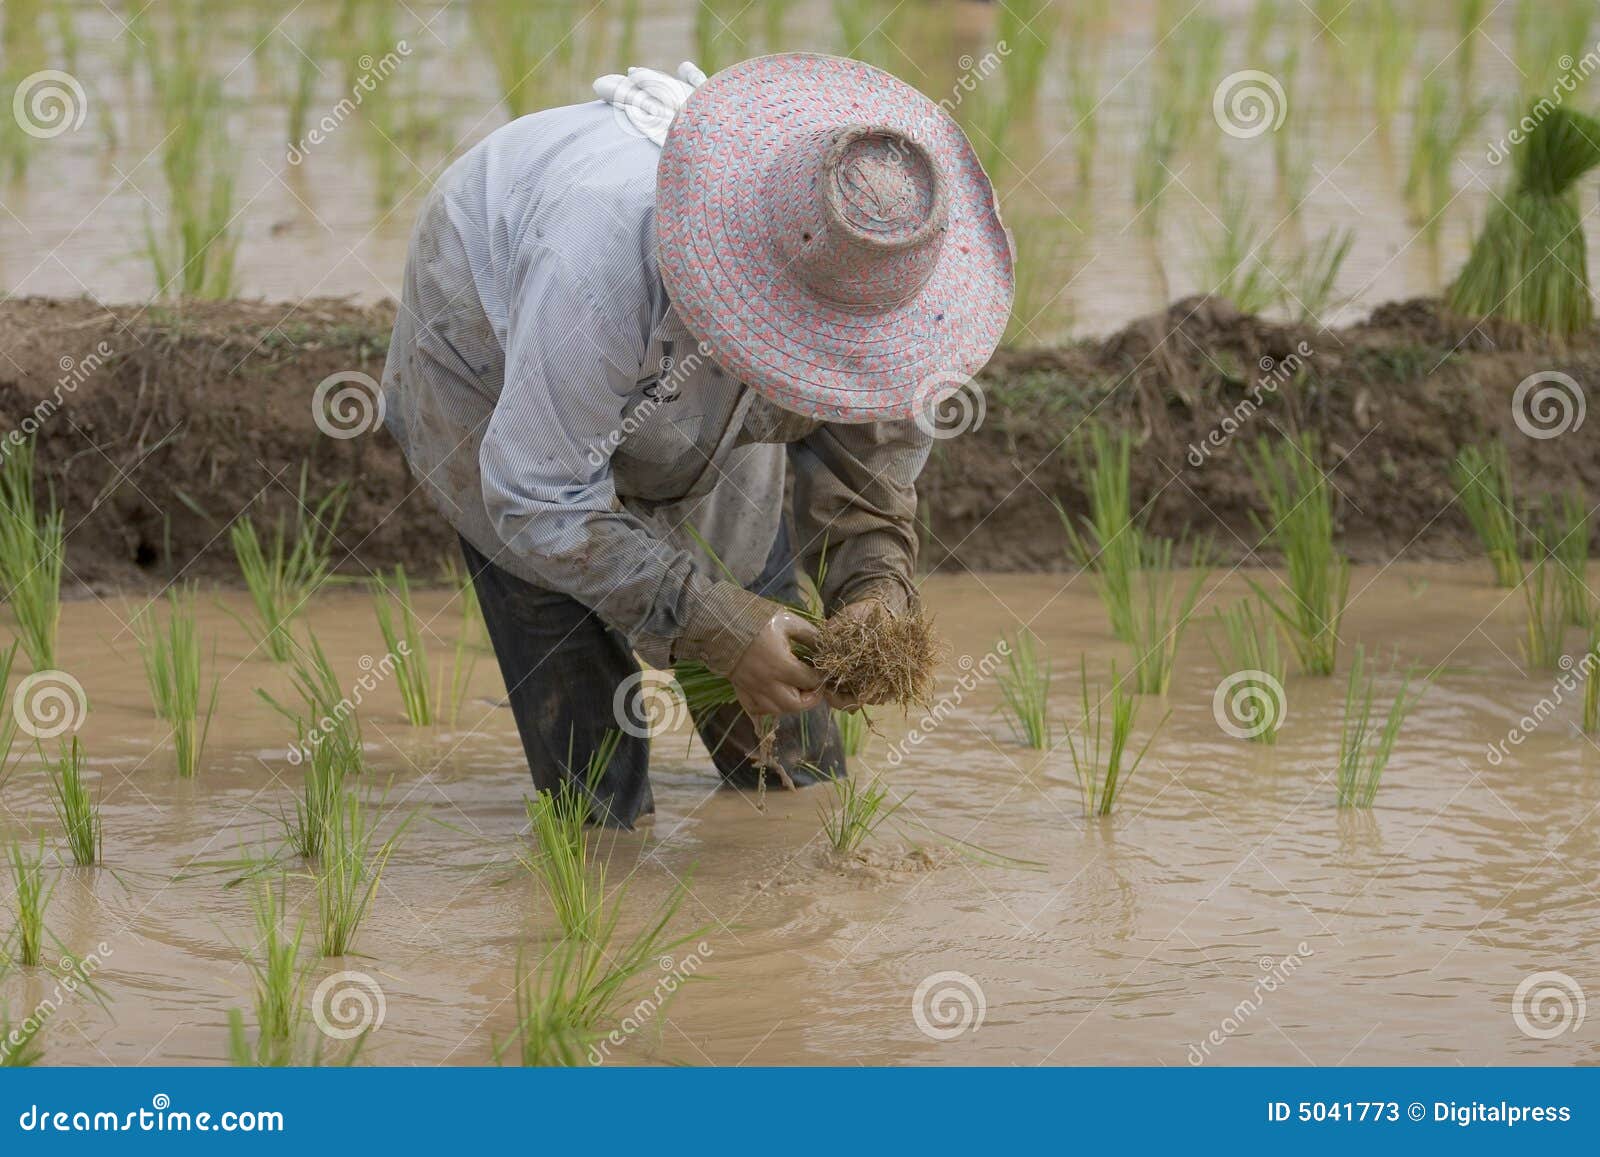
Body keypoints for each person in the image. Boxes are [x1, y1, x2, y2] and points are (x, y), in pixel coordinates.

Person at [381, 53, 1013, 827]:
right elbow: (534, 494)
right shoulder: (596, 267)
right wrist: (714, 625)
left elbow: (869, 472)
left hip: (697, 405)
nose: (840, 360)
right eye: (813, 342)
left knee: (799, 781)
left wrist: (872, 590)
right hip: (492, 348)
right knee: (596, 787)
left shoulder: (896, 292)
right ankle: (601, 876)